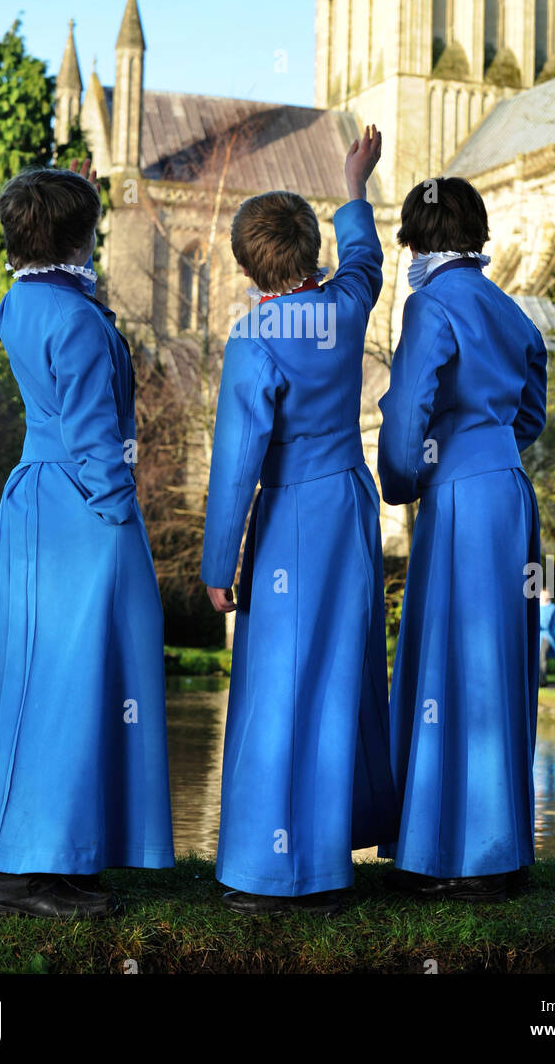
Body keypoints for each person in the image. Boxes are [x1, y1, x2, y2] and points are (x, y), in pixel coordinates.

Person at [0, 163, 174, 918]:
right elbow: (93, 442)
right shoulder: (78, 320)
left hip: (33, 500)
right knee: (71, 683)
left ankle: (8, 857)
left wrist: (62, 203)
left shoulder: (20, 301)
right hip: (81, 510)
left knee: (31, 680)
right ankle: (34, 872)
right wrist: (122, 522)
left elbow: (54, 274)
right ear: (83, 238)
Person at [201, 125, 398, 917]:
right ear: (307, 253)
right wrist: (355, 183)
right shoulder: (345, 309)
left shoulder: (253, 339)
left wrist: (220, 564)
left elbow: (236, 463)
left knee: (277, 686)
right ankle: (320, 868)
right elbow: (368, 262)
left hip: (286, 516)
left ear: (248, 267)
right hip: (347, 510)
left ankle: (265, 873)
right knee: (335, 678)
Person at [376, 176, 547, 903]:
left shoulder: (428, 303)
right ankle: (498, 847)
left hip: (458, 498)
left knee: (453, 663)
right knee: (500, 663)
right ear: (476, 237)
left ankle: (454, 853)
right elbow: (530, 418)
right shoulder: (512, 311)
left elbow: (407, 412)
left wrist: (400, 481)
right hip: (508, 491)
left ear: (413, 244)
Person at [538, 587, 555, 688]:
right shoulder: (535, 606)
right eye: (543, 594)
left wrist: (552, 637)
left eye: (547, 594)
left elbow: (554, 624)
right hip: (536, 635)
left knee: (542, 656)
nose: (545, 596)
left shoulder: (552, 607)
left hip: (545, 636)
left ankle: (542, 680)